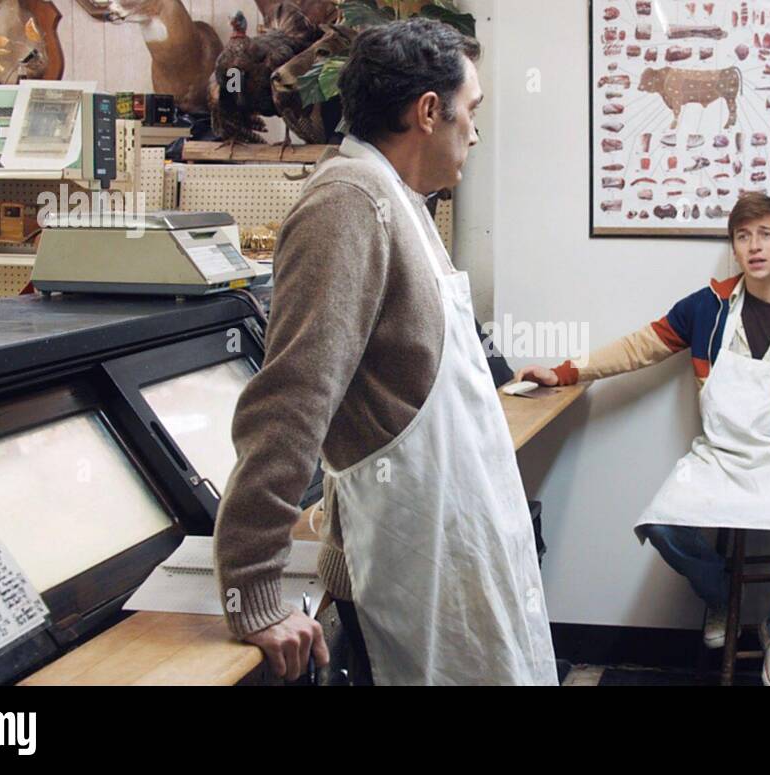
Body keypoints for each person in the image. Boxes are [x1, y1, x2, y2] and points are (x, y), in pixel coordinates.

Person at [213, 19, 557, 686]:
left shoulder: (404, 202)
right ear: (430, 111)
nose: (477, 132)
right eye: (473, 111)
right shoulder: (347, 204)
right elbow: (289, 403)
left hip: (443, 554)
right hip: (403, 574)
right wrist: (250, 589)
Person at [518, 193, 770, 686]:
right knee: (662, 525)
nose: (754, 247)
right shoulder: (707, 307)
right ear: (733, 246)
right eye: (743, 236)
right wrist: (564, 372)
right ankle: (722, 595)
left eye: (766, 235)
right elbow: (638, 347)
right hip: (722, 455)